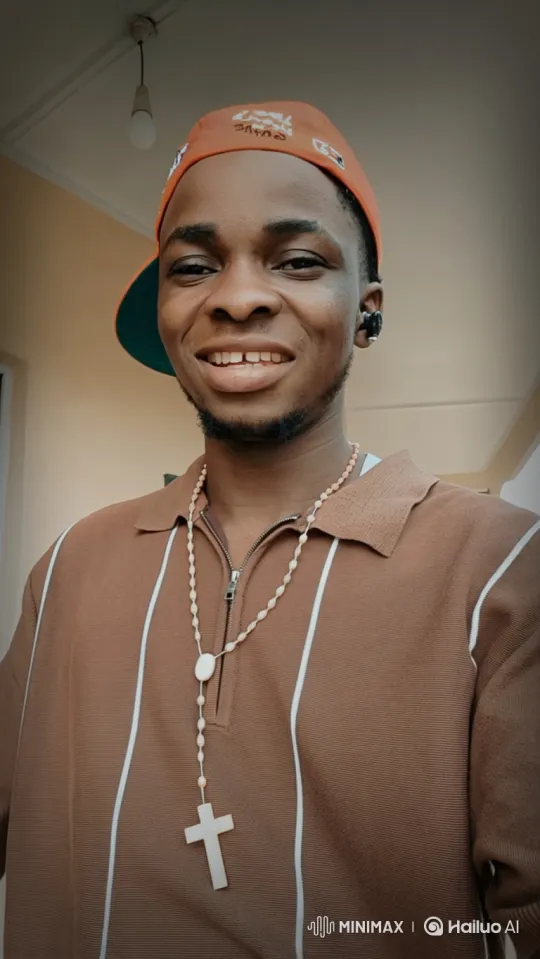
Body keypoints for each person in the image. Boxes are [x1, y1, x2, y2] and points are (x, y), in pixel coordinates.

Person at [0, 101, 539, 959]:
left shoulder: (503, 573)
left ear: (366, 307)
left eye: (295, 259)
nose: (239, 296)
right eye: (193, 265)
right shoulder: (67, 569)